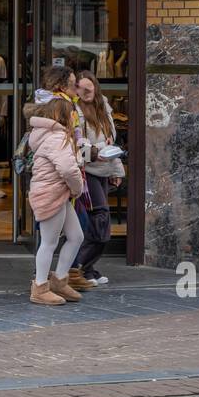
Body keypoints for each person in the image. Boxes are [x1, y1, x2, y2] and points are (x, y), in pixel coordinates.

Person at [26, 96, 85, 306]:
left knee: (76, 236)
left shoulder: (51, 135)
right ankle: (40, 288)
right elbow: (68, 169)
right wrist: (78, 189)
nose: (75, 117)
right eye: (72, 113)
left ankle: (59, 281)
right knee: (49, 242)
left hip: (56, 193)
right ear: (65, 115)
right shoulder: (56, 137)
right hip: (51, 194)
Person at [72, 70, 124, 287]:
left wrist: (116, 171)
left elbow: (111, 142)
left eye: (89, 90)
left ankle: (87, 269)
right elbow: (77, 148)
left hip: (103, 169)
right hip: (86, 172)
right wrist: (97, 151)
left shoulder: (104, 108)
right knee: (100, 219)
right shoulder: (74, 112)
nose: (86, 93)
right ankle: (76, 269)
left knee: (95, 222)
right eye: (81, 90)